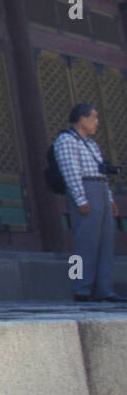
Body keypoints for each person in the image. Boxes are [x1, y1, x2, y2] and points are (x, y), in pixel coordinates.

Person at [54, 103, 126, 303]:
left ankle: (104, 288)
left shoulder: (91, 145)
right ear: (82, 119)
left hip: (100, 188)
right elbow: (71, 172)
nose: (96, 122)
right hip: (85, 189)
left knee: (105, 242)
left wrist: (109, 198)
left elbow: (101, 171)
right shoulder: (66, 140)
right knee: (83, 243)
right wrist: (80, 198)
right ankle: (80, 287)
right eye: (93, 118)